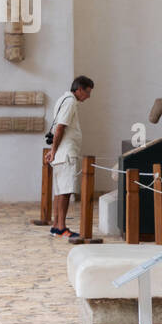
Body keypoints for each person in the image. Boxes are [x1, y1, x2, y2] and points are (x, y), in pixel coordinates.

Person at [45, 75, 94, 238]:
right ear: (79, 89)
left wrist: (53, 151)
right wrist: (53, 150)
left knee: (60, 191)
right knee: (65, 192)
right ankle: (61, 227)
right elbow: (60, 128)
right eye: (87, 92)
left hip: (61, 152)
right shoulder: (71, 101)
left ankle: (55, 226)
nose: (88, 96)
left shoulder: (62, 99)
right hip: (66, 152)